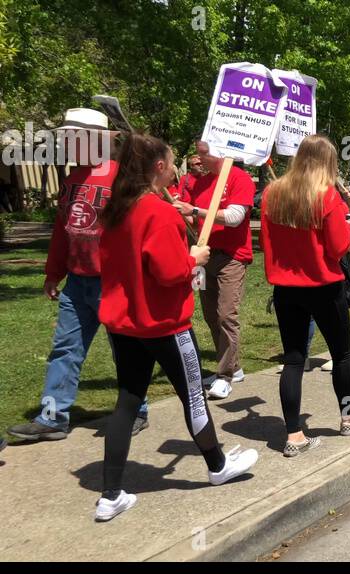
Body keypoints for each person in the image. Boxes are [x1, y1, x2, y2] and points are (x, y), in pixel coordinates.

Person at [95, 132, 257, 522]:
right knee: (194, 397)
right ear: (158, 167)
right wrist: (194, 258)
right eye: (171, 165)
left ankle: (110, 493)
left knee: (127, 401)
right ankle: (218, 465)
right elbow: (170, 272)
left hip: (123, 323)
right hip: (164, 324)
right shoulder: (159, 213)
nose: (176, 173)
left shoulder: (115, 208)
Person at [6, 108, 151, 443]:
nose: (68, 143)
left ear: (99, 140)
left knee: (126, 350)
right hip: (77, 281)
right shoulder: (71, 179)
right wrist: (53, 272)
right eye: (66, 137)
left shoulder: (124, 178)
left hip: (115, 282)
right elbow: (63, 229)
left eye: (75, 137)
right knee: (66, 348)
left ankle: (136, 409)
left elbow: (141, 229)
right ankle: (53, 417)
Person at [260, 135, 350, 456]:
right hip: (325, 286)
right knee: (341, 355)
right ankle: (348, 416)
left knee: (294, 360)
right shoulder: (326, 196)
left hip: (286, 287)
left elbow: (266, 243)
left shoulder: (272, 193)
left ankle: (294, 433)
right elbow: (340, 247)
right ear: (328, 162)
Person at [172, 141, 255, 400]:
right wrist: (177, 209)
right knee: (210, 315)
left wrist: (195, 209)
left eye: (204, 153)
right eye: (198, 152)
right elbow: (190, 217)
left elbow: (234, 217)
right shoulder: (200, 182)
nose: (199, 157)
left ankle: (224, 376)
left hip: (232, 257)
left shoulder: (240, 179)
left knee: (225, 315)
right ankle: (233, 366)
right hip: (204, 256)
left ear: (220, 152)